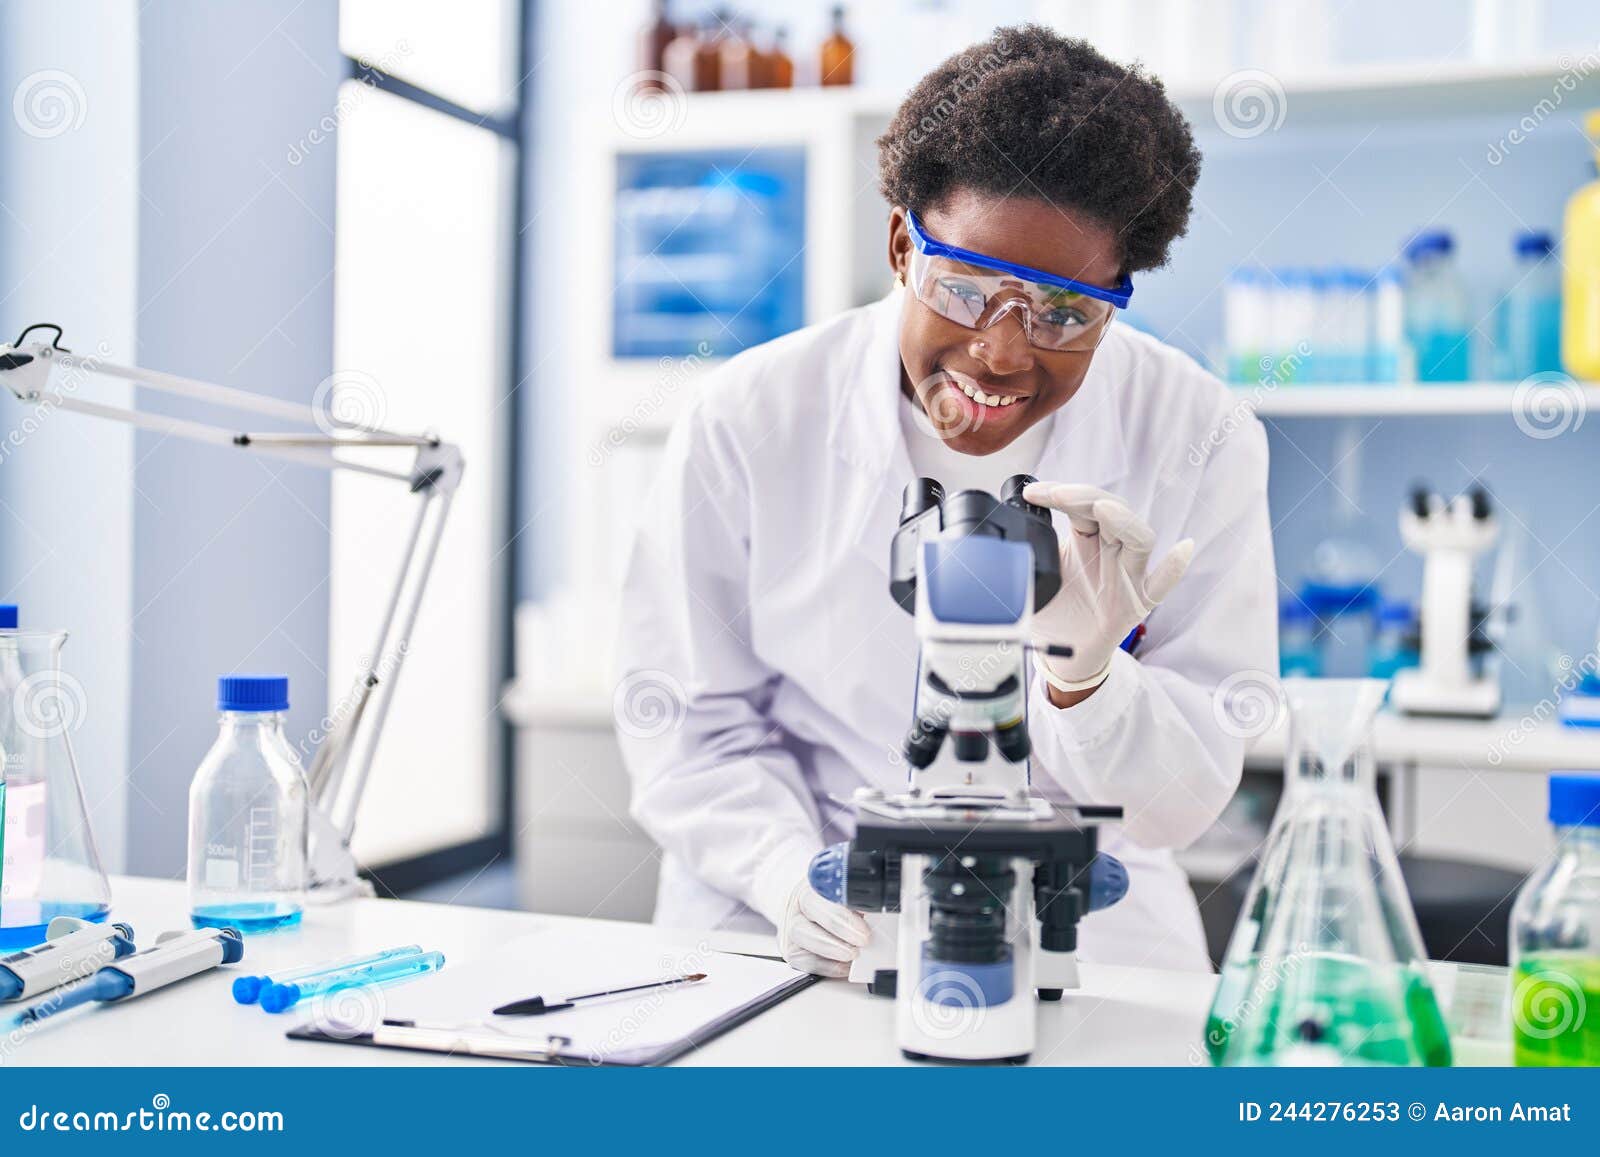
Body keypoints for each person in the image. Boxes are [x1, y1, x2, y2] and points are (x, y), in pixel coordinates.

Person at [616, 26, 1276, 976]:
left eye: (1064, 312)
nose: (1002, 352)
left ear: (1114, 301)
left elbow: (1184, 799)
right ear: (901, 246)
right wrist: (786, 874)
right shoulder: (751, 417)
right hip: (807, 896)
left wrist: (1089, 682)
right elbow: (688, 728)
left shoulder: (1198, 434)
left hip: (1084, 907)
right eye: (964, 288)